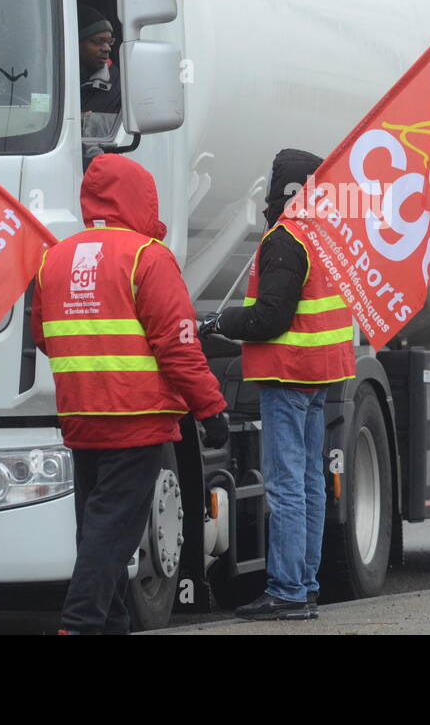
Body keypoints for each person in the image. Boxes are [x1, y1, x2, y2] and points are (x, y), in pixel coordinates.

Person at [32, 153, 228, 634]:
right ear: (142, 198)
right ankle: (78, 624)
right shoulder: (146, 256)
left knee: (97, 529)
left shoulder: (54, 258)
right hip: (136, 417)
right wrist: (211, 407)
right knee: (111, 533)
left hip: (81, 415)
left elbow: (42, 335)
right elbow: (179, 347)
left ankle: (112, 624)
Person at [201, 149, 355, 620]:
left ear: (279, 191)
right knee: (310, 483)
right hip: (319, 375)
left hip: (287, 375)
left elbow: (269, 317)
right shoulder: (323, 236)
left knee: (288, 485)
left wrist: (219, 321)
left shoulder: (285, 238)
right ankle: (304, 587)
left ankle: (287, 591)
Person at [78, 5, 122, 138]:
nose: (107, 48)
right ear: (76, 42)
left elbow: (122, 129)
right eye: (99, 41)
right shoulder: (51, 79)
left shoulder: (118, 84)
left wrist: (91, 122)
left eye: (109, 42)